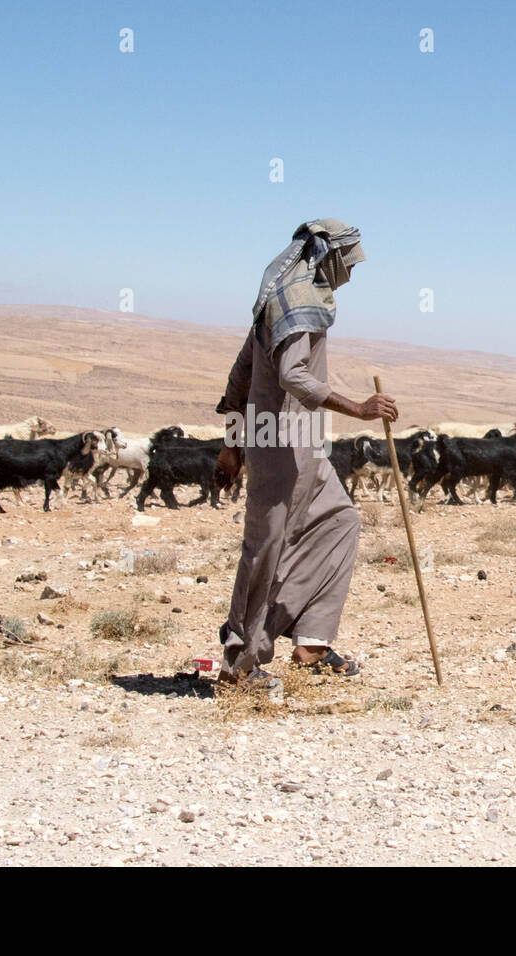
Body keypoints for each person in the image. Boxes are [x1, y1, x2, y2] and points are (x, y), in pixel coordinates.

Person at [214, 219, 397, 687]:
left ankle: (312, 641)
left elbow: (242, 374)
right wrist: (358, 408)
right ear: (329, 256)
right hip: (279, 444)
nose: (351, 275)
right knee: (267, 545)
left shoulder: (283, 296)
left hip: (303, 444)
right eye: (349, 263)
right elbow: (292, 374)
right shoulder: (297, 301)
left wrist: (231, 446)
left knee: (340, 520)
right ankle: (240, 659)